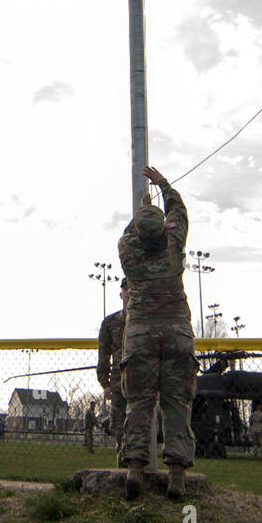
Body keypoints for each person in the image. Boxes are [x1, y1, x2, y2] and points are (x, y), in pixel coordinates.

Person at [117, 165, 196, 500]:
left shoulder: (128, 253)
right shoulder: (174, 245)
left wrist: (141, 209)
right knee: (177, 403)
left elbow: (131, 232)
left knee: (139, 402)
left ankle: (135, 468)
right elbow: (179, 211)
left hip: (141, 334)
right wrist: (162, 184)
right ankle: (176, 474)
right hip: (177, 331)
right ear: (164, 229)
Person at [96, 278, 129, 461]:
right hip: (118, 384)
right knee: (119, 428)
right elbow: (103, 355)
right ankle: (123, 467)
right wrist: (105, 383)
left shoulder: (144, 322)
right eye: (126, 290)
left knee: (141, 428)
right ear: (121, 294)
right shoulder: (110, 323)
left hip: (143, 383)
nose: (129, 293)